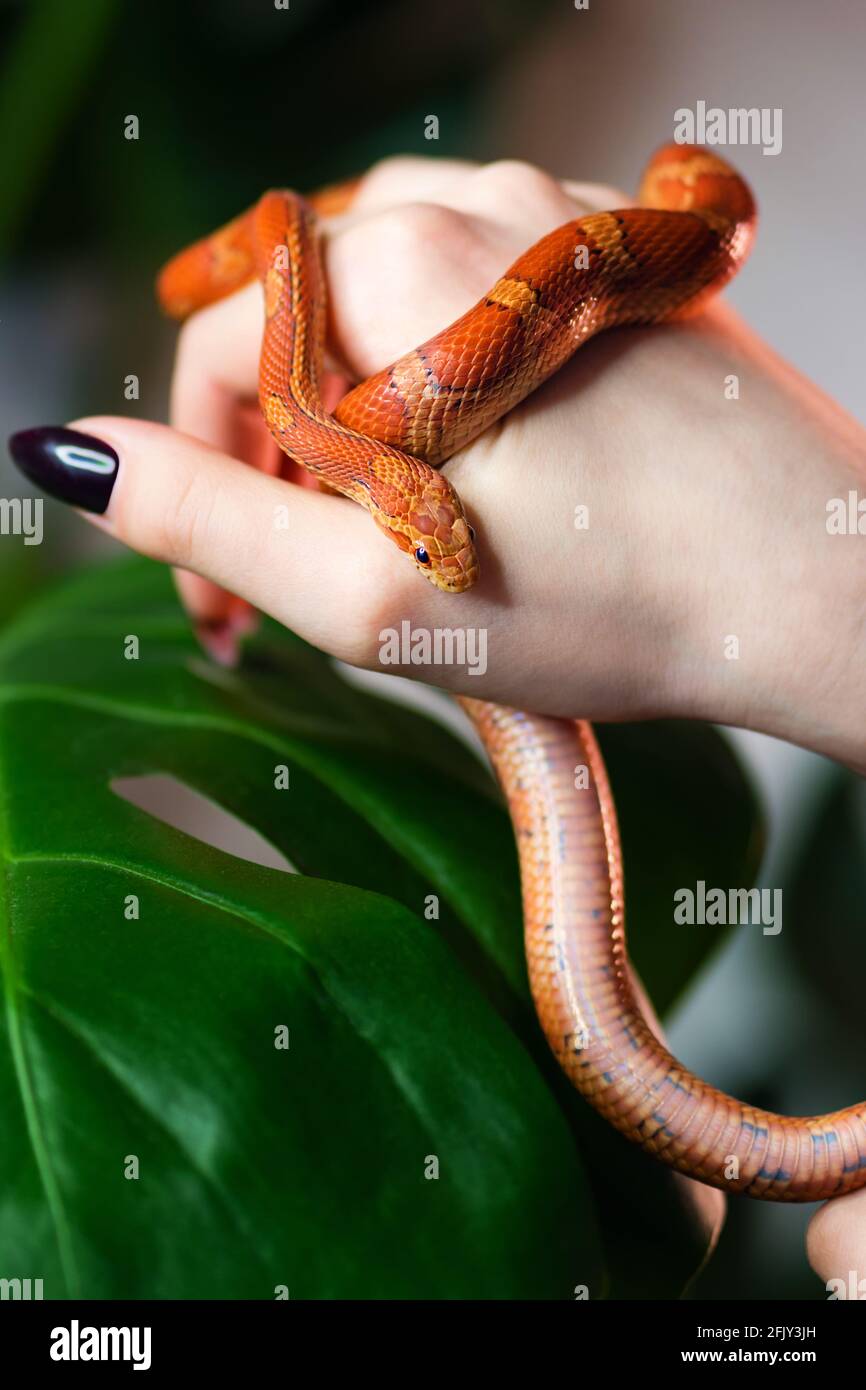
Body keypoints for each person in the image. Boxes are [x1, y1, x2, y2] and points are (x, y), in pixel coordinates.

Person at [9, 155, 866, 1290]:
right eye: (425, 547)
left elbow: (322, 420)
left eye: (436, 536)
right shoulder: (330, 436)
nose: (449, 560)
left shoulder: (342, 438)